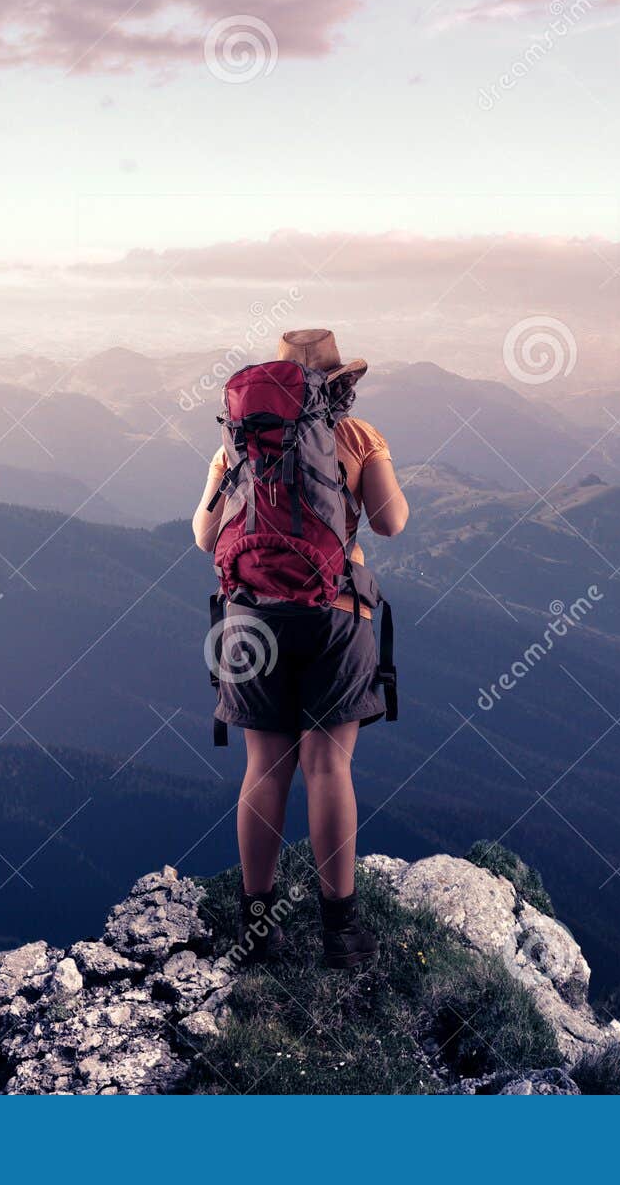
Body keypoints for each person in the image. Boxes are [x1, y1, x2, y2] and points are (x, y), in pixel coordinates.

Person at [192, 329, 409, 968]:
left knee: (264, 768)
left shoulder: (237, 439)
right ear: (339, 384)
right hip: (334, 617)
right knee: (327, 767)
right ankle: (339, 934)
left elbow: (204, 536)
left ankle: (257, 929)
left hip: (249, 621)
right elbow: (392, 521)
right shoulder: (359, 437)